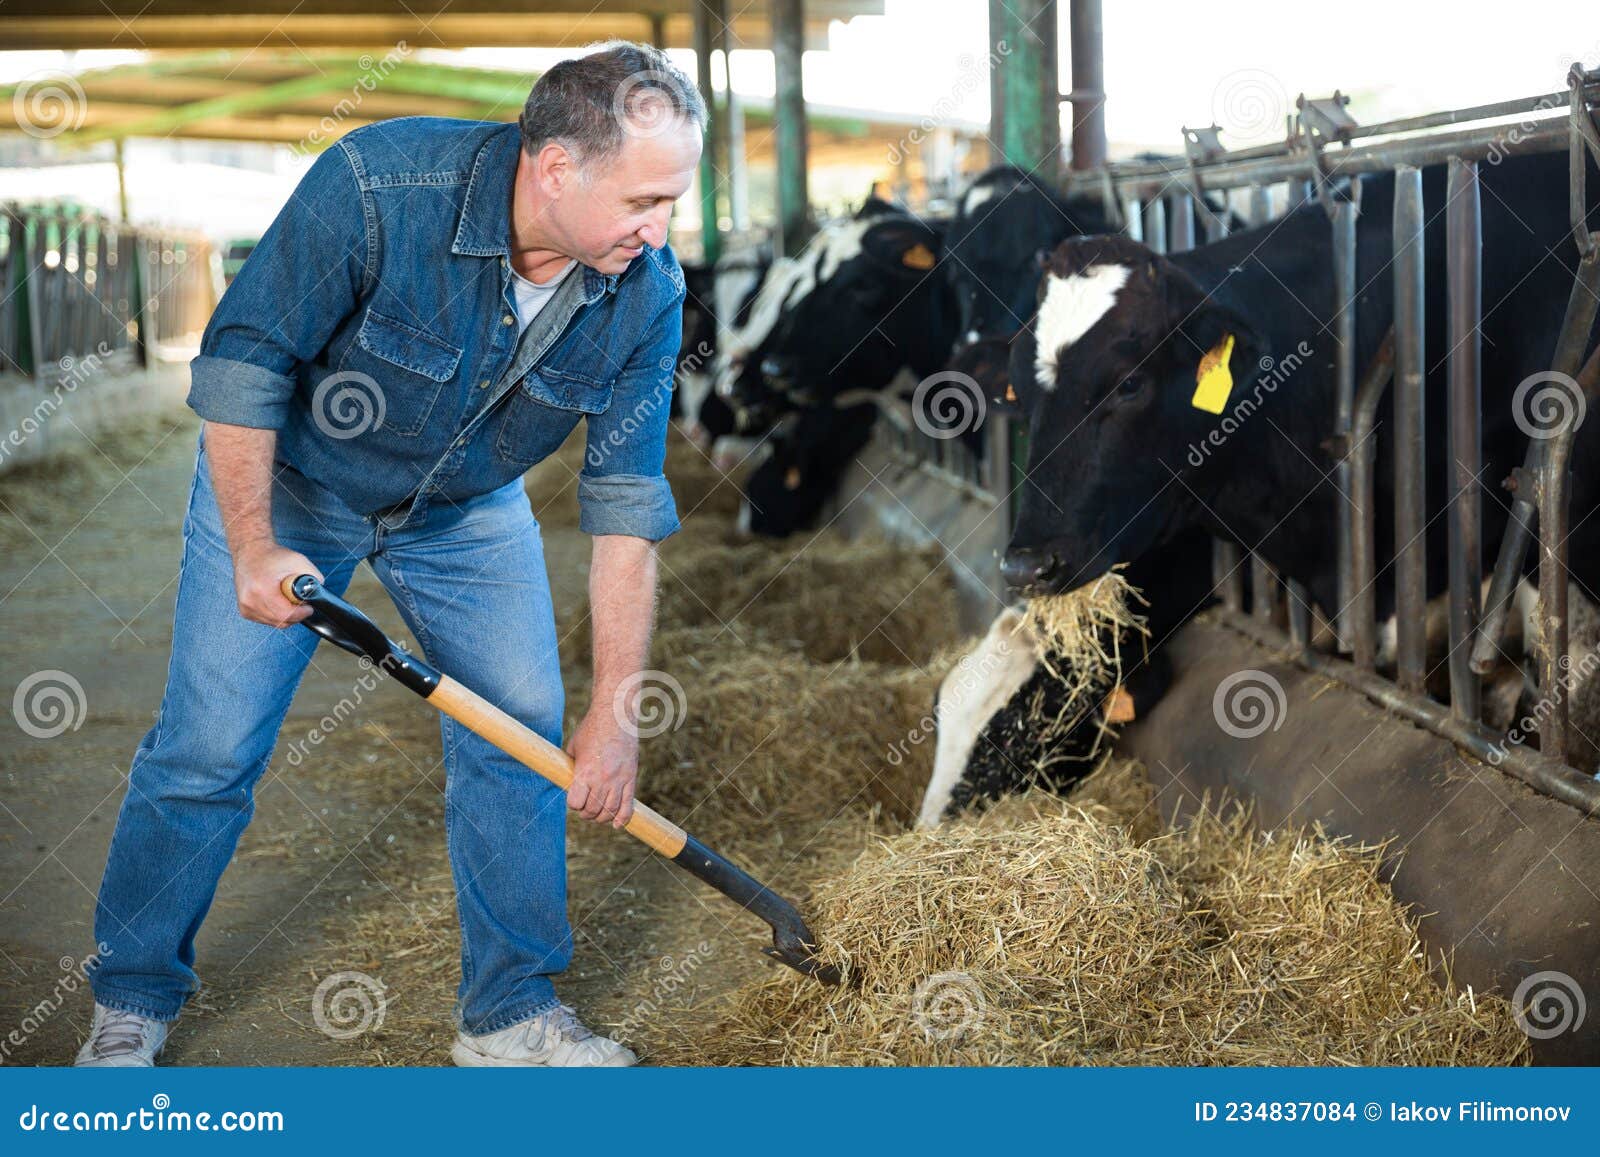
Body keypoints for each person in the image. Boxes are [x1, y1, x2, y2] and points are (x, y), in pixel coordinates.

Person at [73, 41, 705, 1068]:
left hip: (463, 507)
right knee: (210, 747)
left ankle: (508, 1010)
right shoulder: (378, 185)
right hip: (294, 489)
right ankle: (132, 996)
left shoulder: (647, 289)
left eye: (673, 201)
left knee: (519, 735)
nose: (661, 229)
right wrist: (251, 546)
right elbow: (244, 360)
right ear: (555, 169)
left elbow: (626, 507)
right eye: (646, 200)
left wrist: (617, 713)